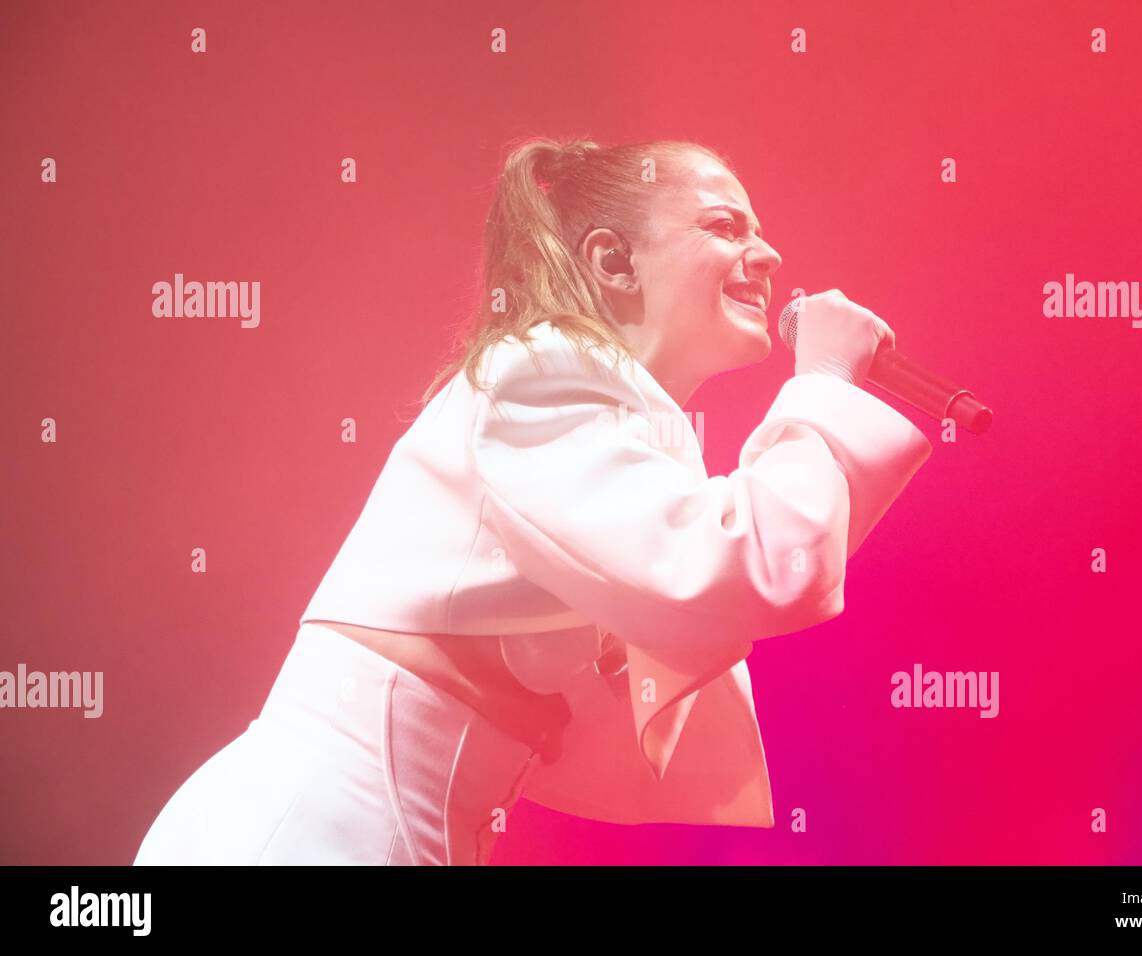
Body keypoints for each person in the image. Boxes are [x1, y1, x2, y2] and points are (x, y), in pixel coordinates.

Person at [132, 136, 933, 866]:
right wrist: (822, 388)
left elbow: (714, 603)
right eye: (725, 226)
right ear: (614, 262)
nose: (768, 253)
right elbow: (748, 567)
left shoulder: (635, 438)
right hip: (307, 831)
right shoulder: (540, 374)